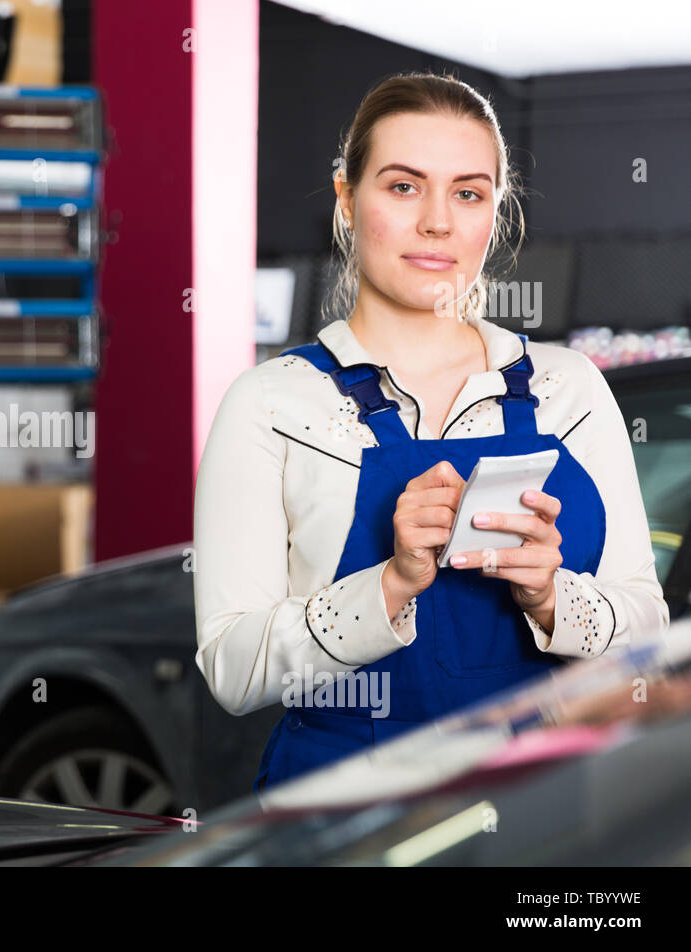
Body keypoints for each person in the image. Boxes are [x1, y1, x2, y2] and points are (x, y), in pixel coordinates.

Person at [192, 72, 670, 795]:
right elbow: (233, 668)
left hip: (543, 816)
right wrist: (389, 584)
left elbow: (646, 633)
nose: (439, 223)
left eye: (468, 193)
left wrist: (552, 598)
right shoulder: (271, 405)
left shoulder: (568, 390)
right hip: (343, 818)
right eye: (404, 186)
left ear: (494, 214)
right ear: (347, 200)